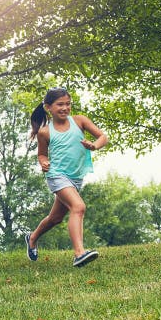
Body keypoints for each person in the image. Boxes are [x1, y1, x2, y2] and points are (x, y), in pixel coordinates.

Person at [25, 87, 108, 267]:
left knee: (56, 218)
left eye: (68, 104)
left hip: (76, 177)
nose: (65, 108)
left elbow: (103, 136)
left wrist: (94, 146)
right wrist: (43, 162)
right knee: (78, 207)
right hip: (57, 176)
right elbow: (42, 154)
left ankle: (32, 237)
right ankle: (79, 253)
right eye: (60, 104)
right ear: (48, 107)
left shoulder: (79, 121)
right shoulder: (45, 132)